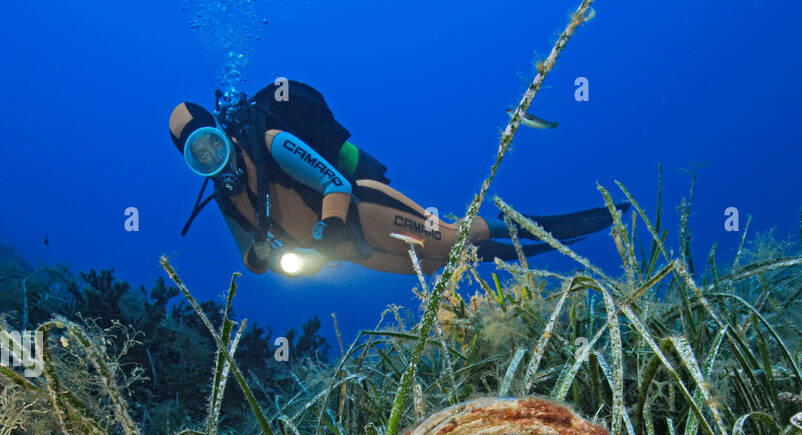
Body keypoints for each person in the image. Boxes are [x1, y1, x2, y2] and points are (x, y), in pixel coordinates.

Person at [169, 80, 626, 278]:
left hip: (364, 209)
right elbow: (247, 258)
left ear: (220, 131)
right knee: (437, 263)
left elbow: (334, 183)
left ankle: (545, 229)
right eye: (197, 153)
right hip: (350, 252)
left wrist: (328, 226)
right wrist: (265, 257)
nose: (210, 154)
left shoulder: (269, 143)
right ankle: (523, 252)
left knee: (447, 237)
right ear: (191, 161)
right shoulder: (225, 200)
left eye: (209, 140)